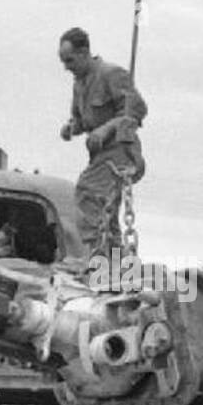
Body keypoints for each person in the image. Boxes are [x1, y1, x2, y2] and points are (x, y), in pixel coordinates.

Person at [58, 27, 147, 257]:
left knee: (87, 193)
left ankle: (99, 259)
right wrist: (71, 128)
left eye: (70, 60)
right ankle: (118, 267)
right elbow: (81, 120)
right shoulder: (79, 84)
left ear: (85, 52)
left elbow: (136, 110)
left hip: (120, 151)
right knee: (107, 216)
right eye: (63, 61)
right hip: (100, 155)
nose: (66, 67)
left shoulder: (111, 74)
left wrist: (106, 129)